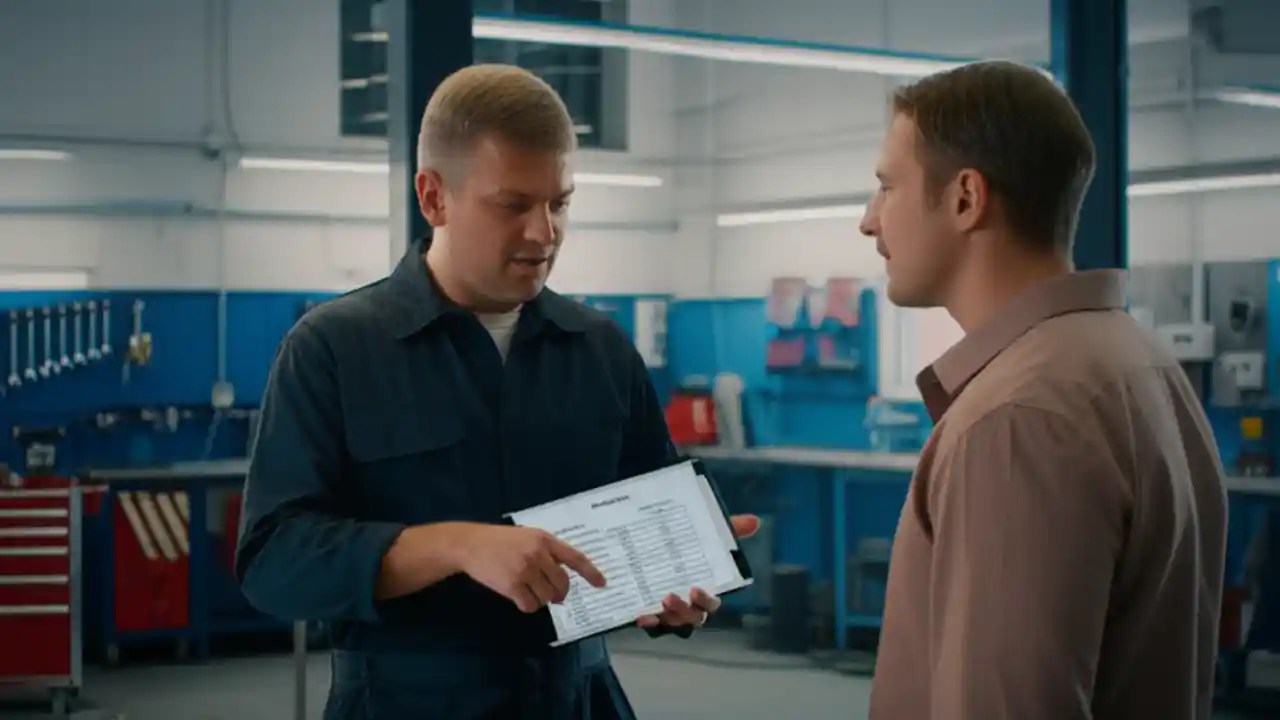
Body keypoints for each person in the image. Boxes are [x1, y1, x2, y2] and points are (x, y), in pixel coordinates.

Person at [235, 63, 759, 719]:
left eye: (559, 203)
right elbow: (274, 561)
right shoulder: (333, 350)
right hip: (406, 703)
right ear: (434, 198)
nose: (544, 233)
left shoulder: (601, 352)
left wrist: (675, 582)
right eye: (513, 205)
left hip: (577, 698)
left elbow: (649, 524)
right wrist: (457, 546)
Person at [859, 60, 1227, 719]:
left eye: (887, 188)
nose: (868, 220)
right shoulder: (1135, 359)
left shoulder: (1017, 417)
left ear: (966, 198)